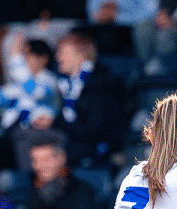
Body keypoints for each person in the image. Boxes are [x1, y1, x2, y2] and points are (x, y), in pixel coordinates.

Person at [0, 34, 59, 161]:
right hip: (10, 143)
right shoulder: (16, 88)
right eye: (22, 55)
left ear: (43, 59)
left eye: (26, 55)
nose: (22, 59)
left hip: (37, 146)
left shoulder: (50, 83)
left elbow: (33, 91)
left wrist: (15, 58)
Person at [45, 32, 126, 167]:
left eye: (62, 52)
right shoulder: (67, 85)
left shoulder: (99, 84)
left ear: (81, 55)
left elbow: (93, 128)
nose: (57, 57)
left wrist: (54, 122)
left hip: (94, 145)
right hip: (74, 139)